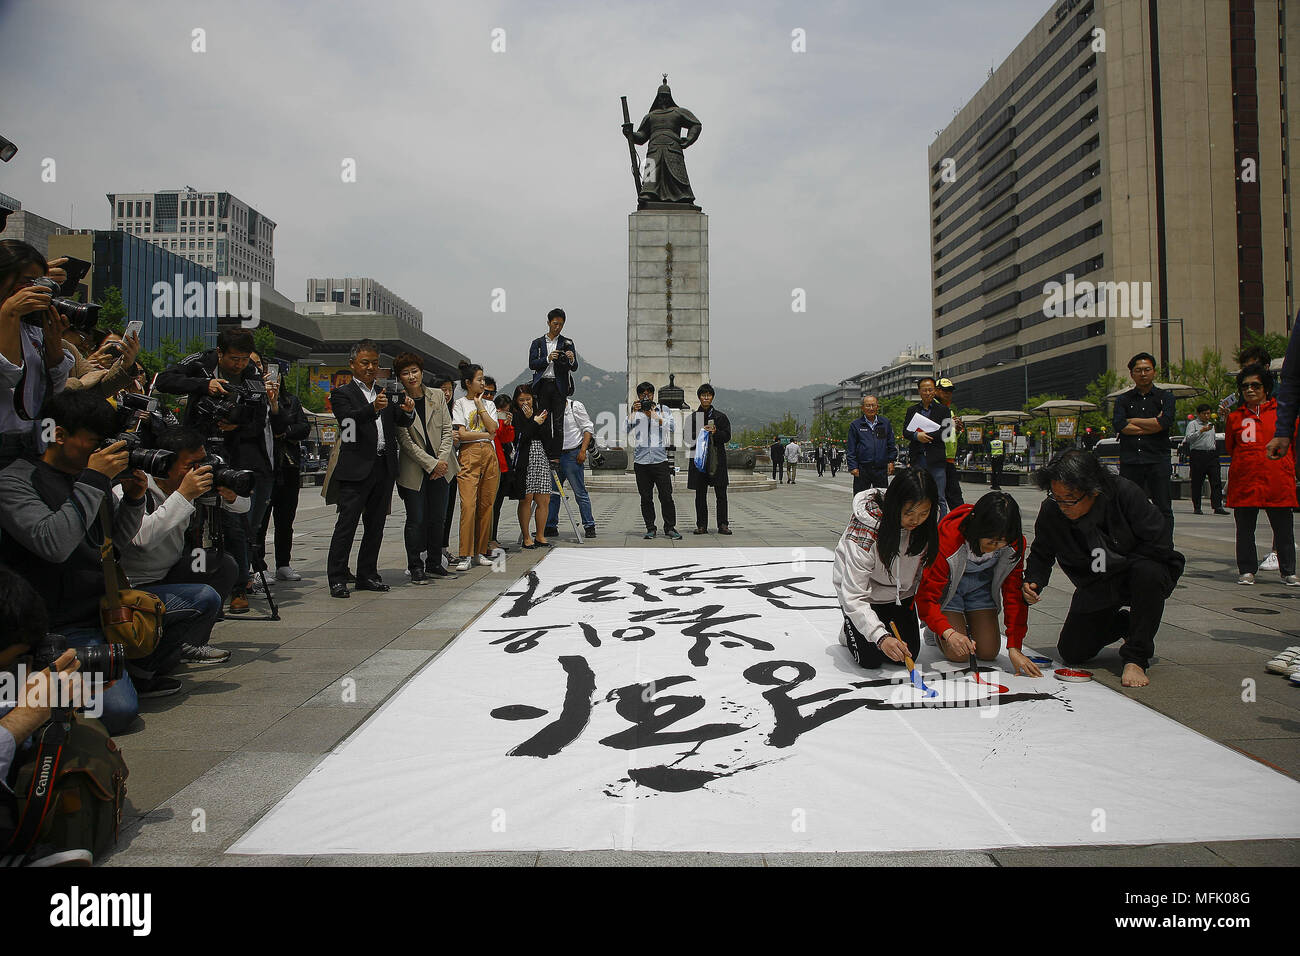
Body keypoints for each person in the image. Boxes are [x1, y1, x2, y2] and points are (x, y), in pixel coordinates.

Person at [0, 391, 188, 731]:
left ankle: (135, 673)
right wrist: (94, 480)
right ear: (59, 435)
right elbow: (54, 544)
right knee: (118, 711)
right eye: (94, 442)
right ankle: (35, 696)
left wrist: (133, 499)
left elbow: (115, 542)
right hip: (57, 622)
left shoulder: (89, 476)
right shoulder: (15, 480)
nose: (102, 451)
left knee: (200, 600)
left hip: (105, 608)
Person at [1022, 449, 1186, 688]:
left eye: (1070, 499)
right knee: (1073, 651)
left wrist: (1122, 563)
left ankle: (1136, 656)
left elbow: (1159, 544)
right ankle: (1124, 624)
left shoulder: (1125, 494)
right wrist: (1033, 581)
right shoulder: (1052, 510)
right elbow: (1041, 552)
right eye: (1057, 497)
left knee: (1149, 573)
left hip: (1135, 573)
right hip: (1095, 582)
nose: (1064, 506)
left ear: (1093, 490)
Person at [155, 330, 281, 614]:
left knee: (234, 523)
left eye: (244, 359)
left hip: (231, 451)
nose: (239, 364)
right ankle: (189, 580)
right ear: (220, 353)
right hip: (194, 447)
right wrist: (204, 385)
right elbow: (163, 380)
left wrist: (237, 424)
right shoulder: (201, 362)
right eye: (234, 358)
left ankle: (239, 586)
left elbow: (258, 419)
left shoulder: (252, 373)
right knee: (191, 520)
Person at [112, 426, 247, 663]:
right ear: (165, 463)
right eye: (191, 465)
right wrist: (184, 495)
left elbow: (243, 506)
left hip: (172, 571)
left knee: (221, 564)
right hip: (135, 583)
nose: (198, 471)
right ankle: (168, 650)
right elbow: (141, 540)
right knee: (206, 595)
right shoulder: (134, 487)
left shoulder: (189, 487)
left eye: (202, 462)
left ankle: (192, 642)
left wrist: (230, 494)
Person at [322, 339, 415, 598]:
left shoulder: (384, 391)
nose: (371, 368)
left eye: (375, 363)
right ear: (352, 364)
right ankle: (337, 577)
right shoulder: (342, 393)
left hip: (383, 466)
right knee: (347, 524)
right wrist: (372, 408)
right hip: (355, 467)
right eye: (365, 363)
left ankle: (368, 574)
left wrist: (408, 411)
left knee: (375, 525)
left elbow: (400, 420)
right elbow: (348, 423)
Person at [914, 492, 1040, 677]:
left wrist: (1015, 646)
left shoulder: (1013, 543)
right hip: (949, 592)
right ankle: (936, 631)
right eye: (991, 542)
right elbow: (927, 595)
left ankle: (964, 623)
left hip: (982, 589)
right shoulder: (949, 537)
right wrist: (946, 631)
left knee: (988, 652)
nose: (996, 547)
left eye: (1002, 543)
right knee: (959, 655)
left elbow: (1013, 593)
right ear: (977, 527)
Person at [832, 468, 941, 669]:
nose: (916, 520)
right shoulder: (866, 531)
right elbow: (854, 594)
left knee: (905, 655)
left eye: (924, 513)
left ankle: (872, 624)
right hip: (866, 596)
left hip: (899, 595)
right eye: (908, 513)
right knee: (870, 659)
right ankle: (849, 629)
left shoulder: (925, 527)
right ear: (894, 505)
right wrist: (880, 637)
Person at [0, 240, 75, 470]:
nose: (33, 289)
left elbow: (53, 390)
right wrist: (9, 313)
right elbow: (7, 377)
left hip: (34, 441)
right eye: (26, 281)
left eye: (39, 282)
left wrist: (54, 346)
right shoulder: (10, 317)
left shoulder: (31, 326)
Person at [1227, 364, 1298, 586]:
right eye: (1245, 386)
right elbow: (1231, 447)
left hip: (1277, 479)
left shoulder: (1283, 416)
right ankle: (1247, 570)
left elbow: (1294, 445)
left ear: (1266, 388)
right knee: (1245, 530)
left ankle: (1288, 571)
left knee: (1283, 530)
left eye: (1255, 385)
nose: (1250, 390)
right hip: (1245, 480)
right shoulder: (1235, 418)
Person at [393, 353, 455, 585]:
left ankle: (434, 562)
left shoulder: (437, 395)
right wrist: (431, 464)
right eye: (405, 373)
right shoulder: (399, 401)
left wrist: (441, 461)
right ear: (400, 377)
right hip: (414, 469)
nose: (411, 376)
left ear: (421, 372)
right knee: (416, 519)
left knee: (438, 518)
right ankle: (415, 566)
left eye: (414, 371)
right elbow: (404, 440)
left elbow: (447, 430)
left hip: (442, 467)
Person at [251, 365, 311, 581]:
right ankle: (258, 565)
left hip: (288, 466)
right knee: (259, 520)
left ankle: (283, 563)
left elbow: (303, 427)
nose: (271, 380)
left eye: (275, 376)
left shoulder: (290, 401)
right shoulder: (254, 401)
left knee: (285, 520)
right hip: (264, 467)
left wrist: (284, 432)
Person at [1112, 352, 1175, 535]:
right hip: (1131, 461)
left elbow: (1164, 423)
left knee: (1163, 506)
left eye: (1147, 369)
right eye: (1138, 370)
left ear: (1154, 372)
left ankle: (1164, 545)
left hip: (1158, 459)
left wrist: (1132, 421)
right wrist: (1153, 424)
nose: (1143, 374)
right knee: (1129, 506)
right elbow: (1120, 425)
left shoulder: (1166, 397)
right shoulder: (1123, 399)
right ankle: (1134, 542)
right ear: (1132, 374)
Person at [451, 360, 500, 569]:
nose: (482, 384)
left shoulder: (489, 404)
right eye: (479, 380)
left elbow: (494, 429)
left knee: (486, 504)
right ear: (468, 383)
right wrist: (485, 435)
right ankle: (465, 554)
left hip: (489, 454)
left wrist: (481, 407)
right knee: (468, 505)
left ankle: (480, 551)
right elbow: (461, 434)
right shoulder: (460, 404)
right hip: (468, 454)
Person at [628, 381, 680, 539]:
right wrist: (633, 412)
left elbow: (672, 427)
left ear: (653, 395)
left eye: (649, 393)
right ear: (638, 396)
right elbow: (626, 428)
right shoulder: (636, 411)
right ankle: (650, 528)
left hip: (660, 460)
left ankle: (670, 527)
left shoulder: (663, 409)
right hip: (641, 461)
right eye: (642, 394)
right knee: (646, 498)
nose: (646, 396)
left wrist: (654, 416)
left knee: (666, 496)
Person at [545, 396, 598, 539]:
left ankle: (589, 525)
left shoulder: (575, 406)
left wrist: (583, 451)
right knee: (553, 493)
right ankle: (550, 526)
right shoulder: (548, 408)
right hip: (555, 455)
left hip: (572, 454)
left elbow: (588, 428)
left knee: (580, 492)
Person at [528, 308, 577, 462]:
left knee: (558, 423)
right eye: (555, 323)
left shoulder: (567, 343)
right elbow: (532, 364)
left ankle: (555, 456)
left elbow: (574, 367)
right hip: (543, 384)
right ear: (548, 323)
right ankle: (545, 453)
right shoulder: (537, 343)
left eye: (561, 324)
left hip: (559, 385)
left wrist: (571, 359)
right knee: (543, 420)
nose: (558, 327)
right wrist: (548, 359)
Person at [508, 385, 554, 548]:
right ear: (516, 401)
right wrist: (531, 421)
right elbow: (521, 437)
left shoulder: (541, 413)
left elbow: (547, 437)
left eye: (528, 399)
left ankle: (540, 535)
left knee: (544, 498)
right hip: (524, 458)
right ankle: (526, 536)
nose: (525, 403)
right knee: (526, 498)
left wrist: (536, 420)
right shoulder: (514, 416)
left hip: (540, 455)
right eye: (521, 400)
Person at [686, 383, 732, 534]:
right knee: (700, 495)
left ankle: (723, 524)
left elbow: (727, 436)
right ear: (699, 397)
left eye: (709, 395)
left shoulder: (720, 417)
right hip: (700, 460)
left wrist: (715, 433)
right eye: (703, 395)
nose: (706, 398)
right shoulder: (693, 417)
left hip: (717, 460)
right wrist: (702, 432)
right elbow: (687, 438)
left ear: (712, 397)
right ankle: (701, 525)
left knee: (721, 494)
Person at [903, 376, 951, 517]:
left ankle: (940, 526)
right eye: (924, 390)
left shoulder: (944, 410)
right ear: (919, 391)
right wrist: (916, 436)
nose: (928, 393)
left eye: (930, 390)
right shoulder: (912, 410)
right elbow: (906, 431)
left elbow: (946, 433)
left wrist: (927, 435)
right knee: (917, 495)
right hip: (918, 459)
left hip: (936, 460)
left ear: (935, 391)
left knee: (939, 497)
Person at [433, 374, 459, 566]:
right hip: (435, 466)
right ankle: (430, 551)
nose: (447, 393)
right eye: (443, 389)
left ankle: (442, 549)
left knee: (447, 511)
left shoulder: (453, 410)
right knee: (435, 513)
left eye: (450, 390)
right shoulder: (431, 409)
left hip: (451, 466)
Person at [846, 394, 896, 494]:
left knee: (882, 497)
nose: (871, 408)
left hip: (880, 469)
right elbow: (851, 448)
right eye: (868, 405)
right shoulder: (855, 425)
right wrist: (853, 466)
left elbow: (890, 444)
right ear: (862, 408)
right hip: (862, 469)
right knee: (861, 498)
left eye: (873, 405)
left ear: (877, 407)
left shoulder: (885, 423)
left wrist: (891, 461)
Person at [1184, 404, 1227, 516]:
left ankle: (1217, 506)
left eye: (1208, 413)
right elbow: (1188, 438)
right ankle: (1197, 506)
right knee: (1197, 482)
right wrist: (1201, 431)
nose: (1207, 416)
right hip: (1198, 454)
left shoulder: (1211, 424)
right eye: (1204, 414)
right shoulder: (1193, 424)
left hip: (1211, 455)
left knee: (1216, 480)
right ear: (1198, 414)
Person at [489, 392, 516, 553]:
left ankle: (493, 538)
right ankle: (487, 539)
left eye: (506, 410)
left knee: (497, 505)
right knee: (490, 505)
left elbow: (508, 439)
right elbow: (495, 435)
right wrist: (500, 422)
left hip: (503, 465)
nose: (502, 413)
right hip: (493, 464)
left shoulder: (505, 422)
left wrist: (507, 424)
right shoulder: (488, 417)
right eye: (500, 410)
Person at [934, 378, 965, 512]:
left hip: (949, 459)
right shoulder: (933, 409)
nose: (948, 393)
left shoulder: (949, 411)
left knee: (954, 496)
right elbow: (935, 433)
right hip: (938, 460)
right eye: (944, 390)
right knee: (940, 497)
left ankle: (959, 521)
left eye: (950, 390)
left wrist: (956, 430)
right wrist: (950, 425)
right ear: (936, 391)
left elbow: (948, 436)